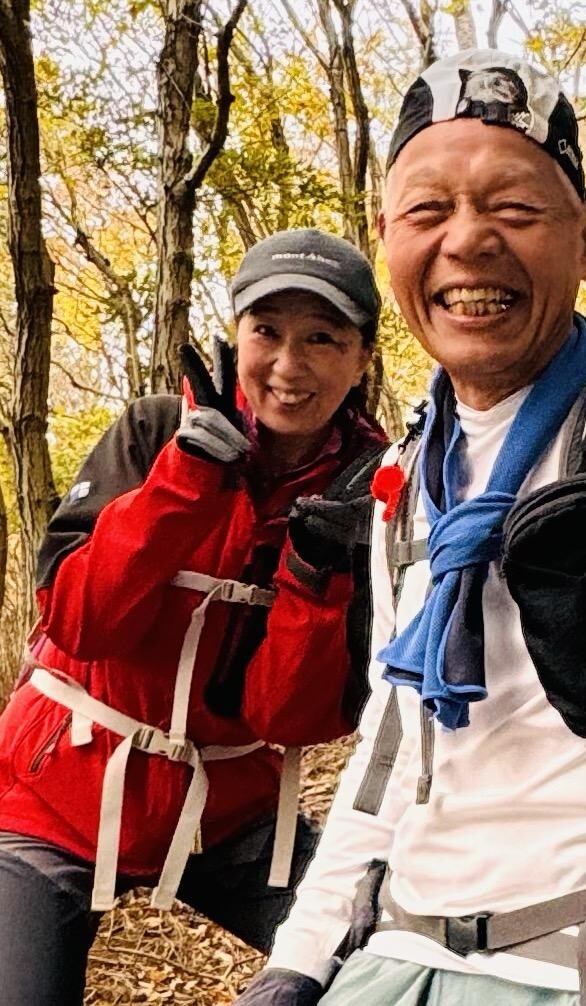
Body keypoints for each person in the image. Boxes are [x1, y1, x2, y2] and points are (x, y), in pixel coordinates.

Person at [233, 51, 586, 1006]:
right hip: (400, 953)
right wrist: (300, 961)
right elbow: (396, 751)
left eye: (514, 208)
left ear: (585, 236)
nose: (468, 242)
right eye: (428, 211)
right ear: (387, 236)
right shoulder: (406, 475)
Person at [0, 228, 388, 1006]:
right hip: (57, 791)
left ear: (362, 358)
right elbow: (80, 624)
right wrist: (184, 480)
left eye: (322, 338)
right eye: (266, 331)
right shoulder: (151, 432)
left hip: (233, 812)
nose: (288, 364)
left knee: (375, 965)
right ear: (234, 333)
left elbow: (292, 715)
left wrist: (316, 574)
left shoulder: (370, 488)